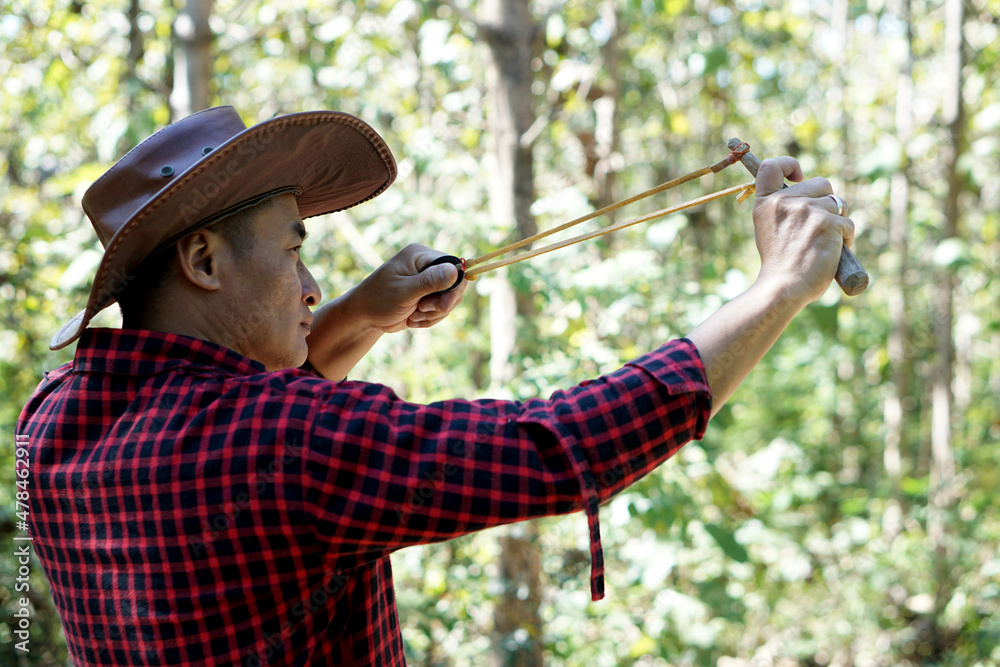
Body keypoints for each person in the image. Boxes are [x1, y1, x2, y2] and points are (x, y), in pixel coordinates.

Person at [17, 106, 854, 666]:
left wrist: (362, 312)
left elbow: (226, 425)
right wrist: (777, 287)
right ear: (203, 260)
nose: (310, 287)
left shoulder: (51, 422)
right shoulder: (287, 443)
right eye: (294, 250)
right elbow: (560, 445)